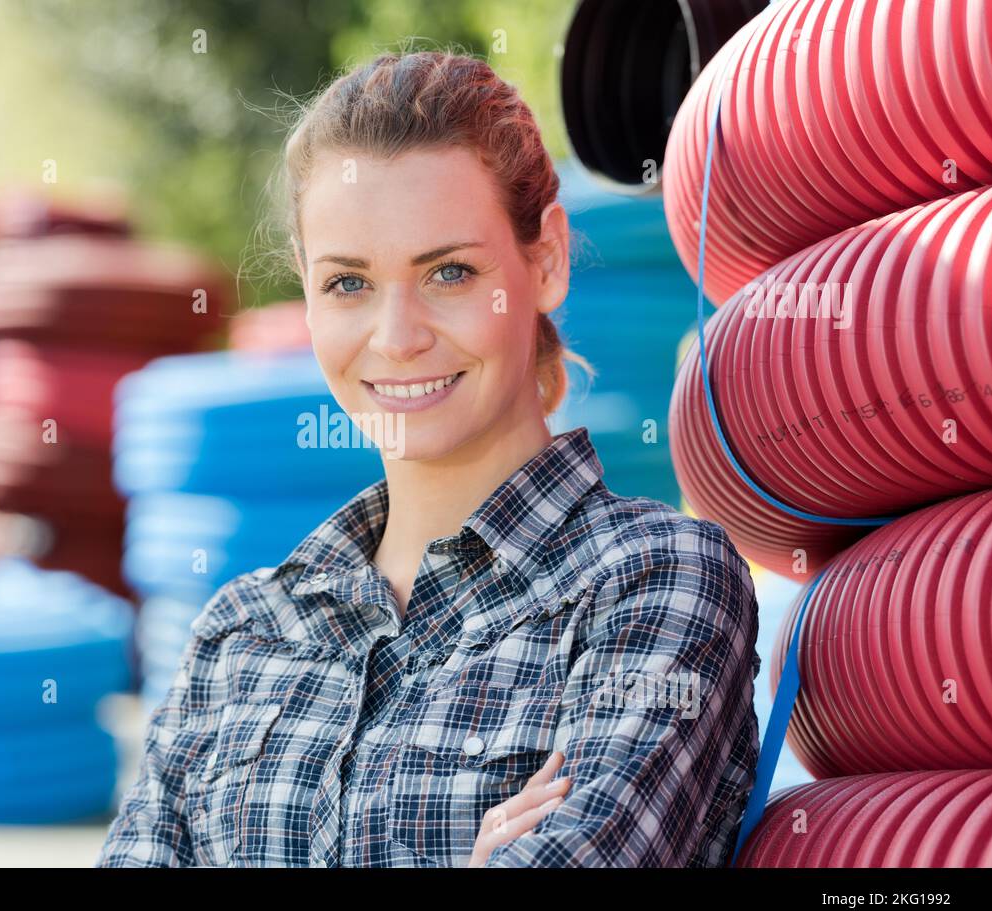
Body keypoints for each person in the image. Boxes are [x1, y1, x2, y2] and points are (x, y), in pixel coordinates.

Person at [97, 48, 760, 868]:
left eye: (448, 272)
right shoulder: (238, 636)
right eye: (348, 284)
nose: (399, 337)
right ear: (304, 290)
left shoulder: (654, 581)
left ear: (545, 259)